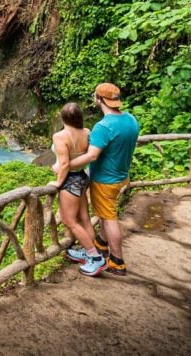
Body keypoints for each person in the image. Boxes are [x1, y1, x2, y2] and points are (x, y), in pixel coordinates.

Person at [66, 83, 140, 276]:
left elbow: (92, 156)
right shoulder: (130, 120)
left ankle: (116, 261)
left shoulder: (103, 126)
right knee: (105, 214)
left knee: (109, 219)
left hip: (105, 179)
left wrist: (67, 165)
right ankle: (100, 246)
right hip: (121, 175)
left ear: (98, 99)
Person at [48, 103, 104, 276]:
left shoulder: (59, 136)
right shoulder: (86, 132)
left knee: (69, 221)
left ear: (63, 117)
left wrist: (58, 183)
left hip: (70, 181)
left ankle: (95, 258)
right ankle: (90, 251)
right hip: (82, 177)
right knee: (84, 218)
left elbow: (64, 163)